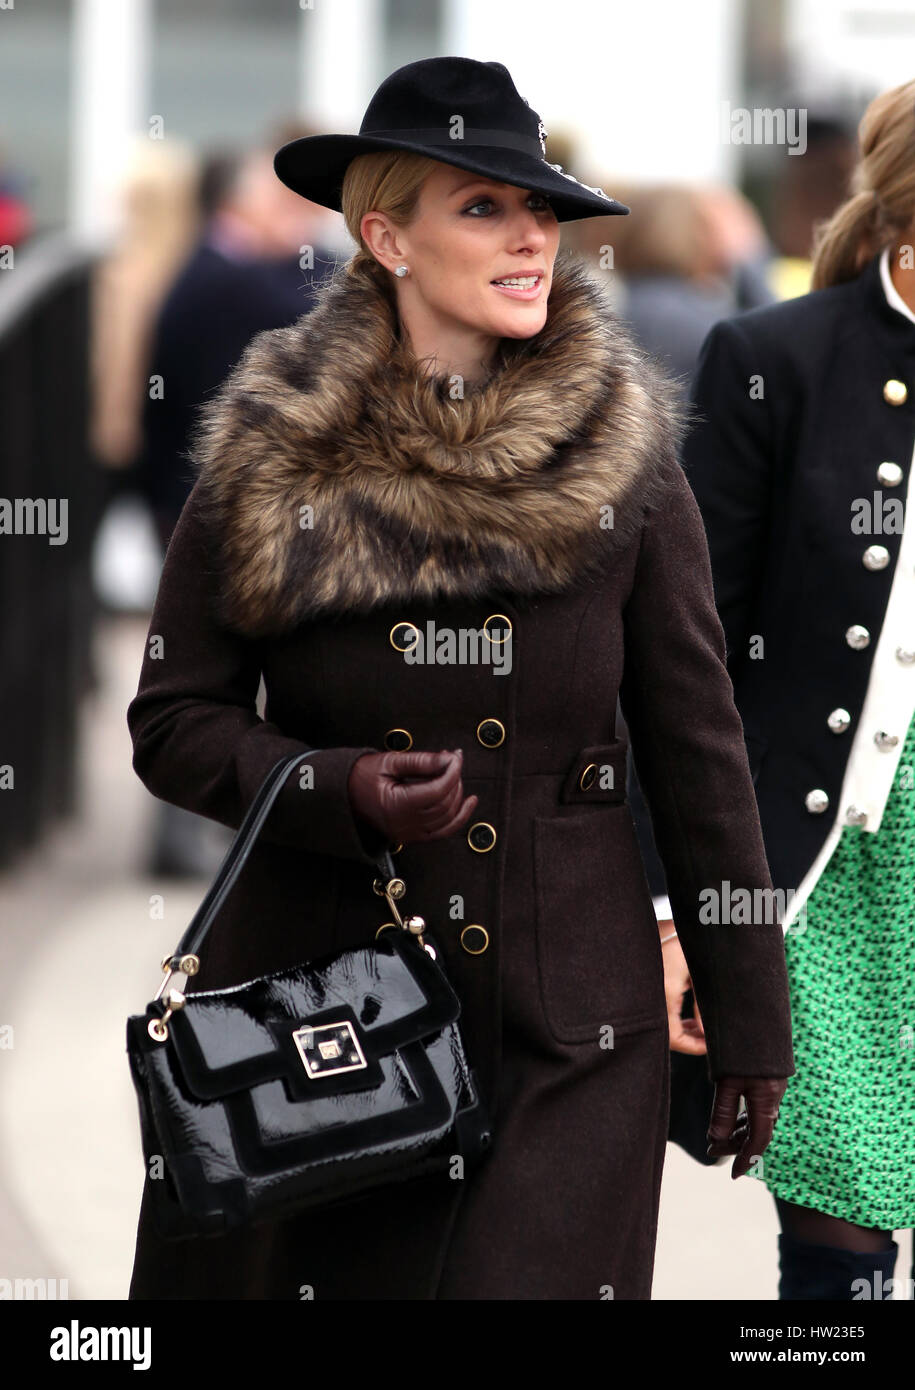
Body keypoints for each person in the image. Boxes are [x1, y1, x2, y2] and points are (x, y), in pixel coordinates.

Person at [125, 56, 793, 1301]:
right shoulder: (274, 444)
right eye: (483, 206)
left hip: (572, 1029)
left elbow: (700, 748)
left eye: (541, 208)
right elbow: (172, 719)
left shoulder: (626, 451)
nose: (532, 234)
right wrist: (335, 786)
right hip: (331, 1022)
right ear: (386, 235)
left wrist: (754, 1019)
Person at [673, 77, 915, 1299]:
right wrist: (678, 912)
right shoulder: (775, 361)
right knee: (841, 1224)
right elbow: (685, 654)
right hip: (828, 853)